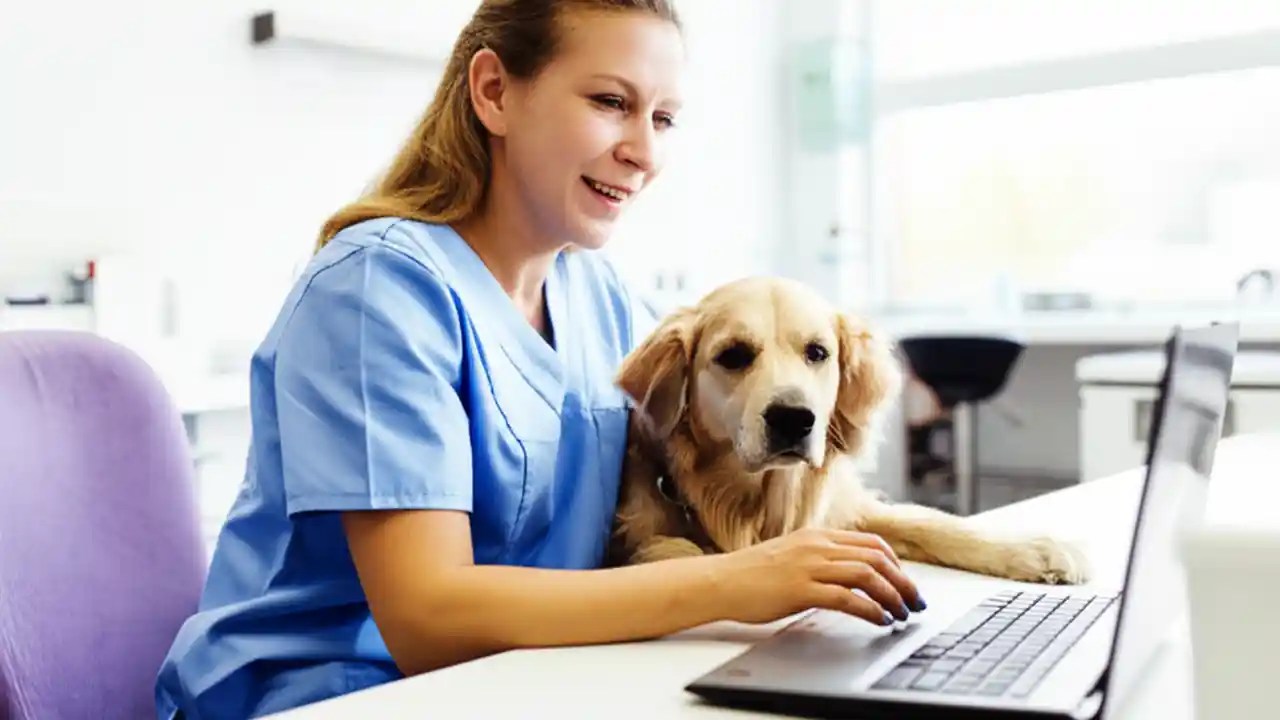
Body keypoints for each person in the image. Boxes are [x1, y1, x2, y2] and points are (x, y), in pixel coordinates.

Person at [155, 1, 924, 717]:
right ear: (493, 92)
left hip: (530, 676)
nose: (645, 151)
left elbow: (702, 476)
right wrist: (735, 584)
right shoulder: (375, 289)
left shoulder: (600, 297)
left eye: (663, 117)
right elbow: (429, 620)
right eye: (610, 103)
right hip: (334, 693)